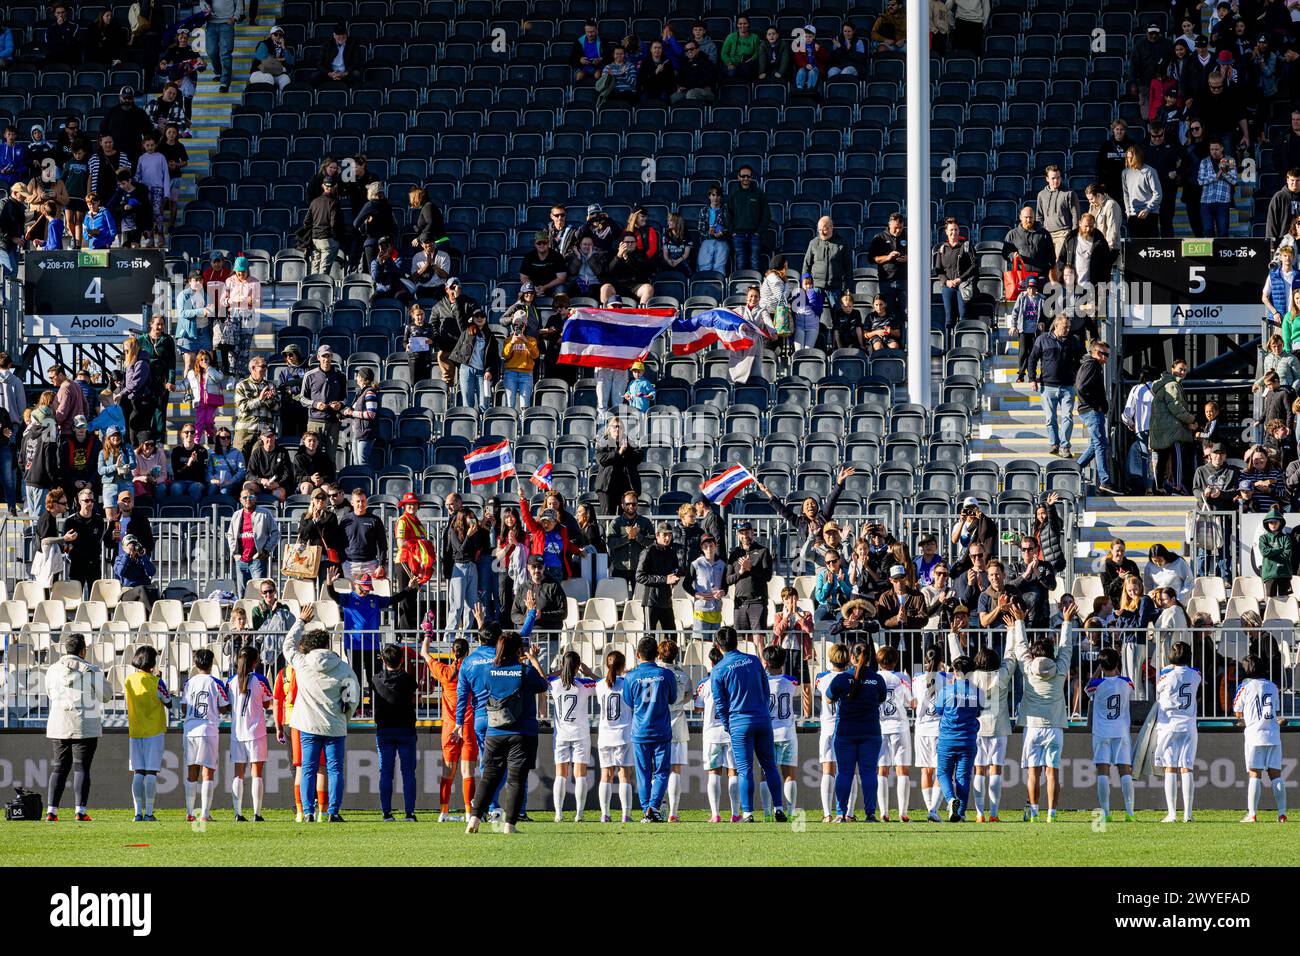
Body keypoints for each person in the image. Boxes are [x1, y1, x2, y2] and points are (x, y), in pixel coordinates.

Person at [282, 605, 360, 823]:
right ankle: (332, 812)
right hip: (335, 726)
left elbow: (287, 645)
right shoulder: (344, 668)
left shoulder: (302, 663)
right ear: (328, 645)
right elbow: (354, 696)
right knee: (334, 770)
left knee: (308, 769)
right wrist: (345, 718)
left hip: (307, 725)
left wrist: (300, 621)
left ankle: (307, 812)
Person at [465, 631, 548, 834]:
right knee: (516, 779)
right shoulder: (524, 671)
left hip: (495, 731)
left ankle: (474, 820)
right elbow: (542, 685)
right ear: (518, 649)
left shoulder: (488, 671)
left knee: (489, 777)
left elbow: (485, 687)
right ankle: (509, 825)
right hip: (522, 731)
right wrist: (532, 660)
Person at [711, 626, 787, 823]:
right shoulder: (753, 660)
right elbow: (764, 688)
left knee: (745, 770)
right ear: (737, 642)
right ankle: (778, 809)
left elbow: (720, 702)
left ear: (718, 646)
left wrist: (728, 724)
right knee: (770, 766)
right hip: (762, 718)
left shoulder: (718, 669)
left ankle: (748, 813)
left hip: (739, 721)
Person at [1012, 599, 1076, 821]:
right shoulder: (1059, 670)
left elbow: (1020, 647)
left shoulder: (1029, 668)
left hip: (1032, 727)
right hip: (1055, 727)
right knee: (1052, 773)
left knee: (1033, 773)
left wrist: (1020, 621)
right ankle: (1052, 813)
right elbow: (1066, 647)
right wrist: (1067, 622)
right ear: (1051, 652)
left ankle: (1035, 812)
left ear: (1034, 654)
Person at [43, 634, 112, 822]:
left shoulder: (52, 670)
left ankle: (52, 811)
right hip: (85, 724)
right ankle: (80, 811)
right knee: (81, 768)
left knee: (59, 768)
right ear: (83, 651)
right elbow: (106, 696)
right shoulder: (91, 670)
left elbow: (48, 693)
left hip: (59, 722)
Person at [823, 642, 887, 822]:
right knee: (868, 773)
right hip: (871, 732)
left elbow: (828, 700)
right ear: (870, 659)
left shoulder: (841, 679)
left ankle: (840, 813)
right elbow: (880, 700)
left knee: (844, 773)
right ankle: (870, 813)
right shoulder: (877, 680)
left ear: (851, 658)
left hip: (845, 733)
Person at [618, 636, 677, 823]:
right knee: (661, 771)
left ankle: (647, 810)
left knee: (643, 773)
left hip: (640, 731)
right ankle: (653, 808)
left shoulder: (631, 676)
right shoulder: (667, 675)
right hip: (661, 730)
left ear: (637, 654)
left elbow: (628, 701)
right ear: (657, 654)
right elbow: (673, 698)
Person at [420, 634, 477, 822]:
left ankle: (443, 812)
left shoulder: (444, 671)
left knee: (447, 772)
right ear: (468, 653)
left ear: (452, 651)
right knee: (468, 772)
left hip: (449, 727)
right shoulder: (471, 670)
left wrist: (428, 635)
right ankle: (470, 813)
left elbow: (424, 653)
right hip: (468, 724)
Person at [1085, 647, 1136, 823]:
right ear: (1117, 663)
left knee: (1102, 771)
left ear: (1101, 664)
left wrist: (1099, 669)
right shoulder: (1127, 683)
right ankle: (1130, 812)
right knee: (1125, 770)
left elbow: (1087, 688)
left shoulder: (1096, 685)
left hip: (1101, 732)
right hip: (1121, 731)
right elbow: (1126, 683)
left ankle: (1106, 812)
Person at [1233, 655, 1287, 823]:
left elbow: (1237, 710)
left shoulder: (1245, 686)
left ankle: (1252, 814)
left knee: (1254, 774)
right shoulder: (1273, 686)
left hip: (1254, 735)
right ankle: (1282, 813)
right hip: (1273, 734)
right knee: (1276, 775)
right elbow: (1274, 710)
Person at [932, 655, 985, 822]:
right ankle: (960, 813)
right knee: (963, 777)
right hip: (968, 739)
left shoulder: (947, 691)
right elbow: (978, 712)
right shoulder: (978, 692)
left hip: (947, 738)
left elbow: (939, 711)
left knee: (943, 773)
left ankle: (950, 799)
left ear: (955, 671)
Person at [179, 647, 229, 823]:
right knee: (208, 772)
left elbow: (184, 707)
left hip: (190, 729)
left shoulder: (189, 683)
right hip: (208, 729)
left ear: (195, 663)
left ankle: (189, 812)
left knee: (191, 772)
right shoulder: (216, 683)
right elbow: (224, 706)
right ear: (212, 663)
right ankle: (205, 814)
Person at [370, 643, 418, 822]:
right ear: (402, 660)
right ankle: (409, 813)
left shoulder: (376, 679)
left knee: (386, 772)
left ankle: (386, 813)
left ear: (383, 659)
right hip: (406, 729)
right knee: (408, 773)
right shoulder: (408, 679)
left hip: (384, 729)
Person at [1155, 641, 1202, 823]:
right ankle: (1188, 814)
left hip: (1169, 726)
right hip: (1189, 724)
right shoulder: (1195, 674)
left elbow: (1158, 690)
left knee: (1170, 768)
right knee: (1187, 768)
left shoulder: (1166, 674)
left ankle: (1172, 813)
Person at [226, 644, 272, 822]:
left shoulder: (230, 681)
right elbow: (267, 703)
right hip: (256, 732)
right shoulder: (260, 680)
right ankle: (257, 813)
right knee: (256, 774)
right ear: (255, 662)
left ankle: (237, 813)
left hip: (237, 733)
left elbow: (227, 705)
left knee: (238, 774)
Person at [123, 645, 170, 821]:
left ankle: (137, 813)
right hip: (154, 730)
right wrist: (159, 679)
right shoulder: (156, 682)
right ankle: (149, 812)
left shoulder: (128, 680)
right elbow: (168, 701)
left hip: (135, 731)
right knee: (151, 772)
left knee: (138, 772)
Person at [695, 646, 740, 822]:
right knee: (733, 772)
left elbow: (698, 708)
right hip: (731, 731)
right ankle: (735, 814)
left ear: (711, 662)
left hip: (712, 733)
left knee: (714, 772)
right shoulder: (733, 679)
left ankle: (715, 814)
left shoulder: (704, 684)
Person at [871, 645, 913, 822]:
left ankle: (883, 812)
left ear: (879, 661)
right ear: (896, 661)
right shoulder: (901, 678)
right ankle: (903, 812)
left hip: (879, 728)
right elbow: (911, 703)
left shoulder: (874, 678)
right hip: (899, 726)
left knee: (882, 771)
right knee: (902, 770)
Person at [1076, 338, 1119, 493]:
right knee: (1101, 444)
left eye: (1108, 355)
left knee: (1098, 443)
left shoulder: (1093, 365)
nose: (1106, 358)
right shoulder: (1091, 365)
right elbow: (1081, 387)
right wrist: (1095, 405)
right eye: (1103, 354)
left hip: (1092, 410)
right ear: (1095, 353)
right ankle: (1105, 481)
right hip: (1091, 411)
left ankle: (1074, 469)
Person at [227, 481, 280, 595]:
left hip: (257, 560)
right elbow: (230, 535)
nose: (248, 499)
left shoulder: (265, 513)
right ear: (241, 500)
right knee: (242, 593)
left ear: (255, 498)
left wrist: (265, 551)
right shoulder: (236, 515)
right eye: (244, 497)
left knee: (259, 593)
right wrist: (235, 554)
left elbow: (275, 533)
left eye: (250, 497)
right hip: (241, 560)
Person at [726, 521, 774, 641]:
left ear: (752, 532)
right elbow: (728, 580)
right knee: (743, 641)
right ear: (738, 535)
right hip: (740, 602)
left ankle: (760, 660)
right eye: (741, 533)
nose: (745, 535)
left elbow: (767, 576)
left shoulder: (763, 551)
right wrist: (741, 572)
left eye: (747, 532)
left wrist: (751, 568)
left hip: (757, 601)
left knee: (758, 640)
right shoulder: (734, 554)